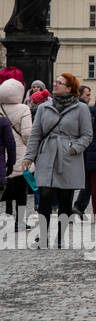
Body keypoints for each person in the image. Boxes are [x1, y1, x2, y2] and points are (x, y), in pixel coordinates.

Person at [22, 72, 93, 247]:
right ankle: (44, 236)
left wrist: (74, 148)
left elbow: (87, 135)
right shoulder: (44, 108)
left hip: (68, 156)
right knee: (44, 194)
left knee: (65, 197)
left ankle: (60, 236)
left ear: (69, 88)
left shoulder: (81, 108)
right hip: (46, 154)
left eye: (60, 83)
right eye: (55, 81)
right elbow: (35, 133)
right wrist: (29, 156)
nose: (55, 84)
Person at [0, 74, 33, 224]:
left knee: (6, 188)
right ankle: (20, 221)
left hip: (3, 153)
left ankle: (6, 215)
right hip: (20, 154)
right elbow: (27, 133)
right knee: (21, 190)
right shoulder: (23, 109)